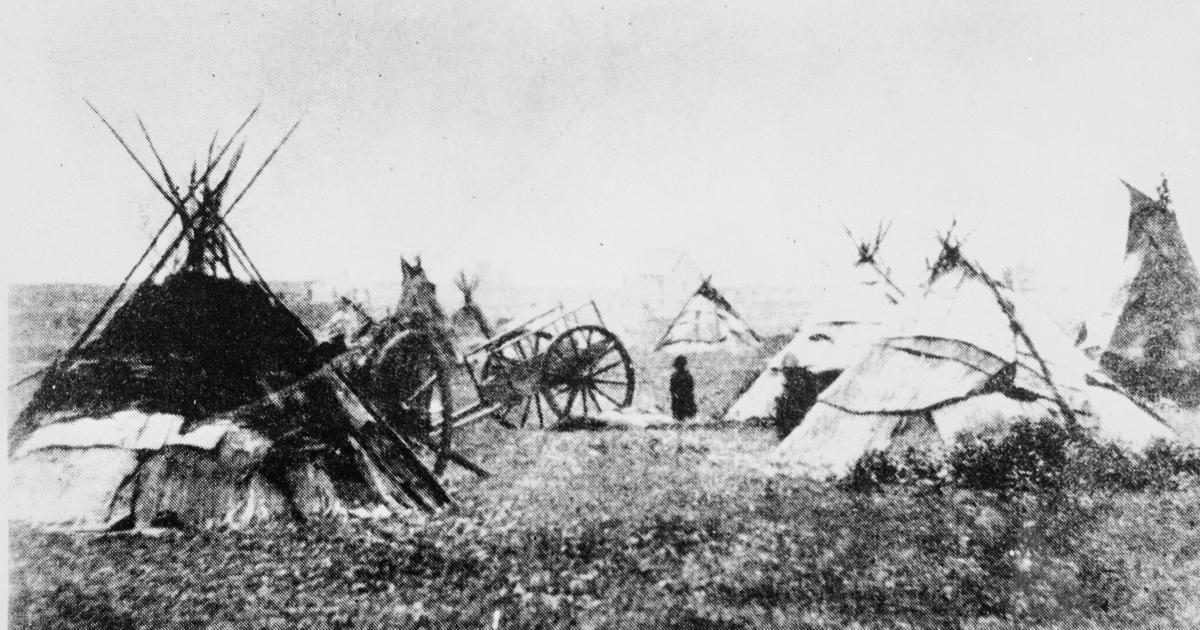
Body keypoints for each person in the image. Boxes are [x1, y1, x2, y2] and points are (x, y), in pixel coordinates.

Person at [669, 355, 697, 422]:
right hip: (682, 399)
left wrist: (678, 394)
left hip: (683, 399)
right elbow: (672, 388)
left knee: (683, 417)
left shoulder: (677, 376)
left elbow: (690, 387)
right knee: (685, 417)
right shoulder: (686, 375)